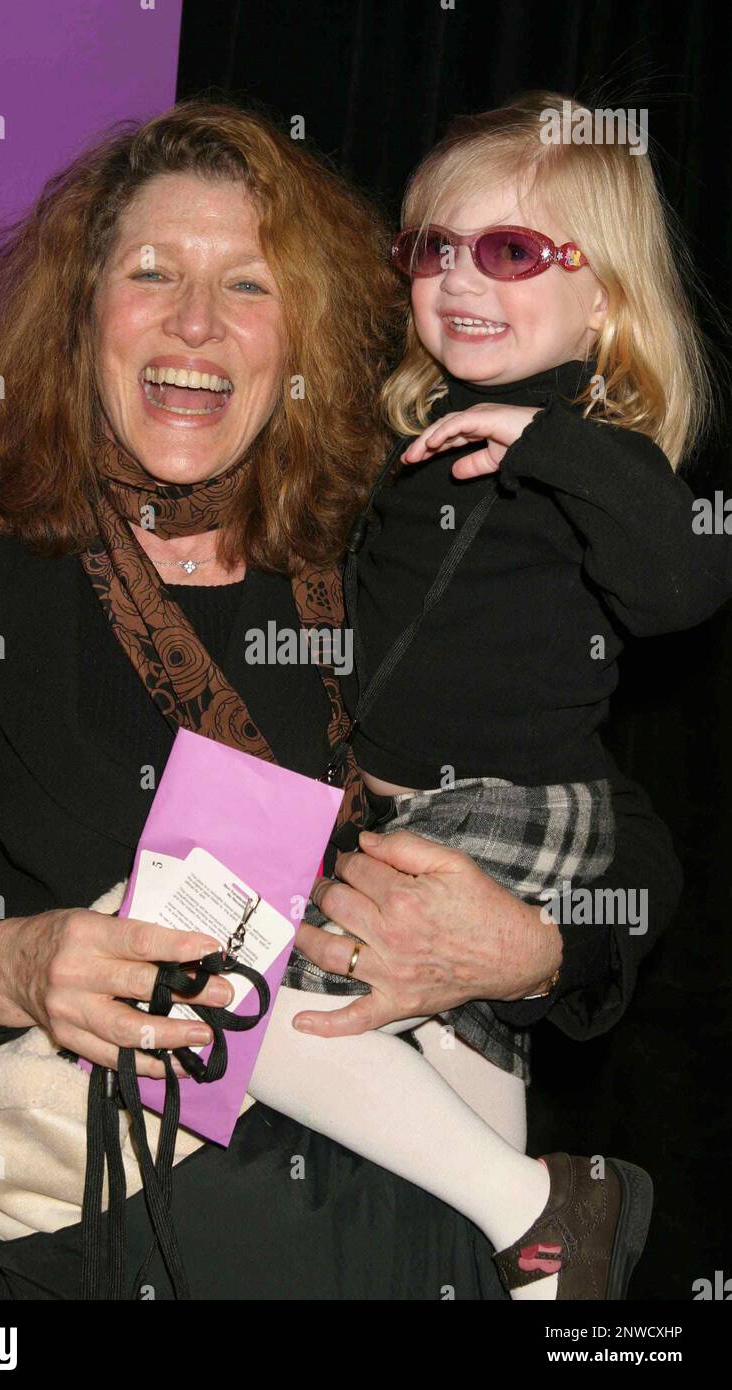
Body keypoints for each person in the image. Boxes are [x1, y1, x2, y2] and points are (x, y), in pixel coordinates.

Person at [0, 99, 682, 1302]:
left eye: (247, 286)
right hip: (129, 1246)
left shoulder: (385, 556)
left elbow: (629, 842)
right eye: (150, 273)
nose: (195, 323)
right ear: (80, 314)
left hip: (431, 1247)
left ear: (304, 335)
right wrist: (15, 964)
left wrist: (533, 950)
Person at [242, 91, 732, 1301]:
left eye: (510, 252)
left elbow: (685, 580)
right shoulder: (413, 425)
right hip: (417, 821)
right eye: (433, 248)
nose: (461, 277)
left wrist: (551, 445)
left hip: (515, 814)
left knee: (263, 1023)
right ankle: (533, 1246)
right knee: (459, 1146)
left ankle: (552, 1203)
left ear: (604, 295)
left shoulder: (587, 445)